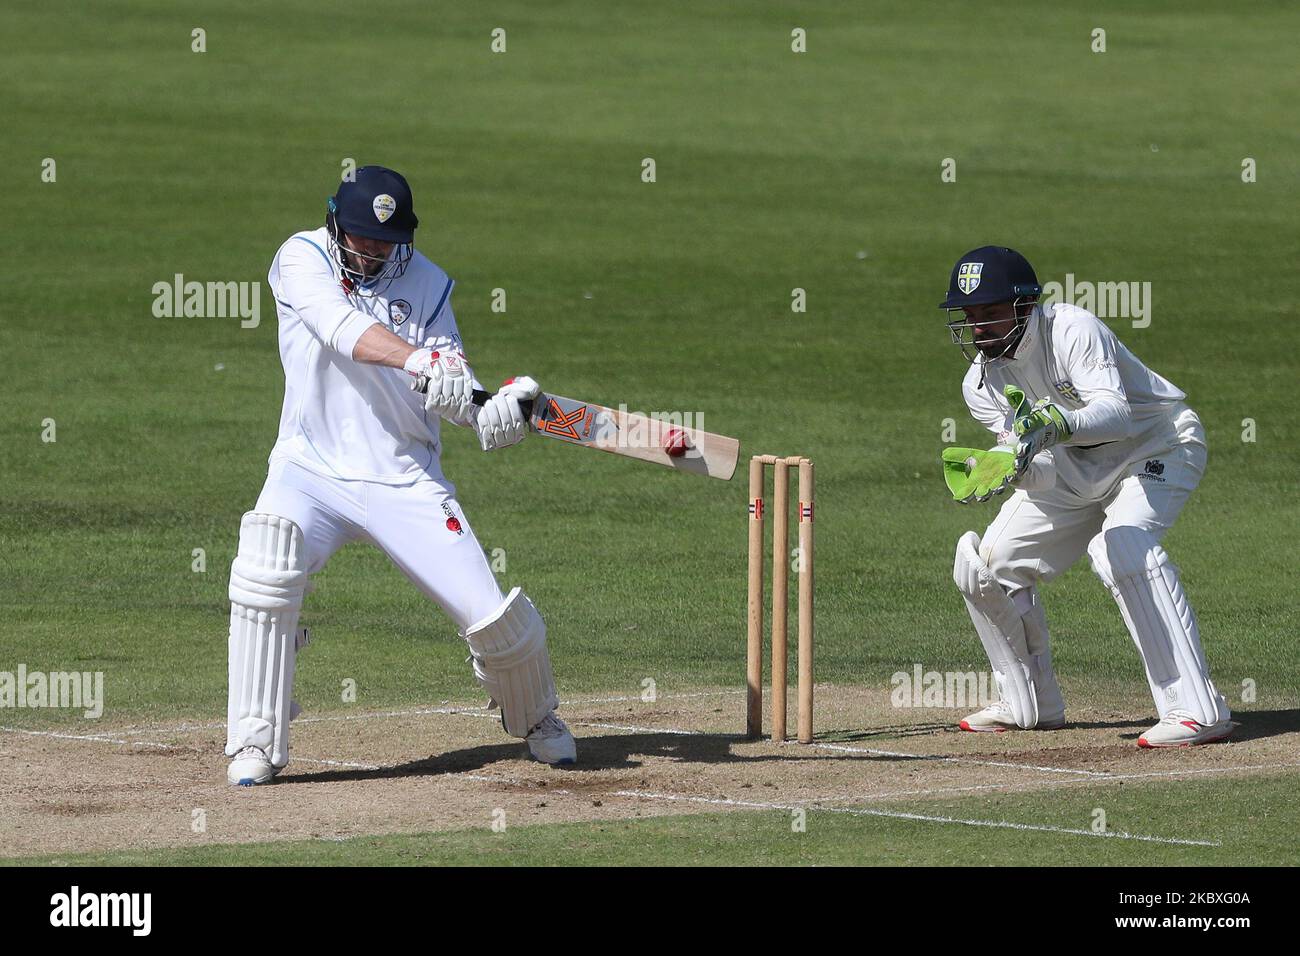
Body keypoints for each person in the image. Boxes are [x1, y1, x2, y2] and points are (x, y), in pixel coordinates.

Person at [224, 165, 575, 785]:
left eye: (386, 240)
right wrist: (419, 357)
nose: (373, 250)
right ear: (336, 222)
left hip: (403, 477)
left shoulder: (430, 284)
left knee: (495, 620)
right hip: (309, 470)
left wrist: (494, 410)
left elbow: (452, 389)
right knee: (265, 564)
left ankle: (536, 715)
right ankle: (255, 740)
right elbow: (342, 331)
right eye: (362, 237)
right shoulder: (299, 257)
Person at [938, 245, 1232, 748]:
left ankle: (1196, 709)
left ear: (1024, 305)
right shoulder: (980, 384)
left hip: (1154, 447)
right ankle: (1029, 702)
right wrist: (1012, 466)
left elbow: (1115, 415)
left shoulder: (1071, 328)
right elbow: (1046, 476)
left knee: (1120, 546)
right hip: (1073, 471)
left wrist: (1056, 424)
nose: (978, 327)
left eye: (989, 313)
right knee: (988, 563)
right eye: (969, 316)